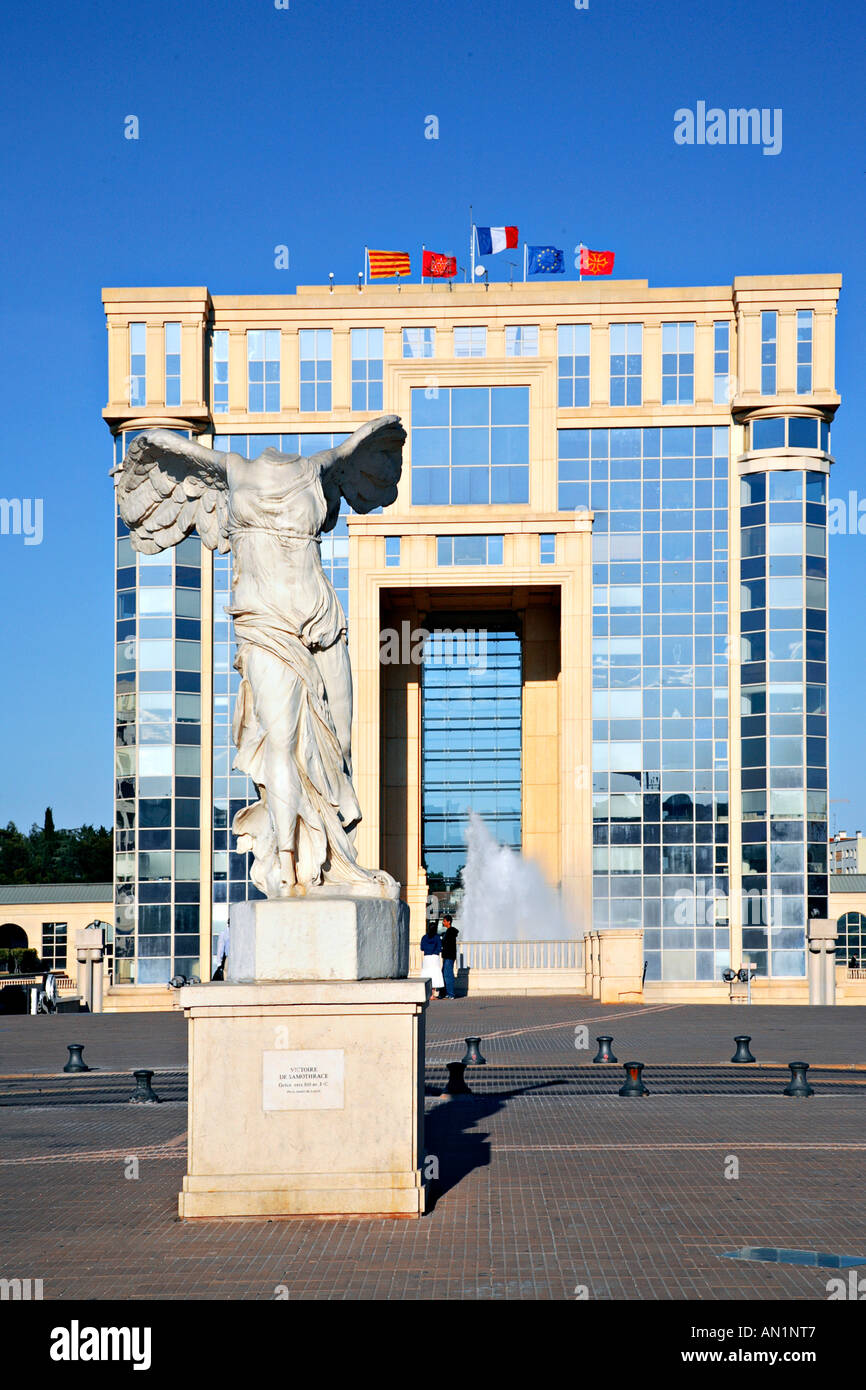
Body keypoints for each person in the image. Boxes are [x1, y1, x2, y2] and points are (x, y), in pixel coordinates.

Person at [419, 925, 444, 1000]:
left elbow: (422, 948)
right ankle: (432, 995)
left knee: (427, 974)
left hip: (427, 957)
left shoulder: (424, 937)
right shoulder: (437, 937)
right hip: (434, 957)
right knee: (434, 975)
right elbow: (439, 948)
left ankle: (428, 994)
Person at [440, 914, 459, 999]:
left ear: (449, 922)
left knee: (448, 975)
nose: (443, 922)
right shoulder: (449, 931)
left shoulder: (450, 932)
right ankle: (448, 993)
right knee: (445, 974)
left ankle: (450, 994)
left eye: (444, 921)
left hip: (449, 956)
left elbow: (447, 943)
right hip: (448, 955)